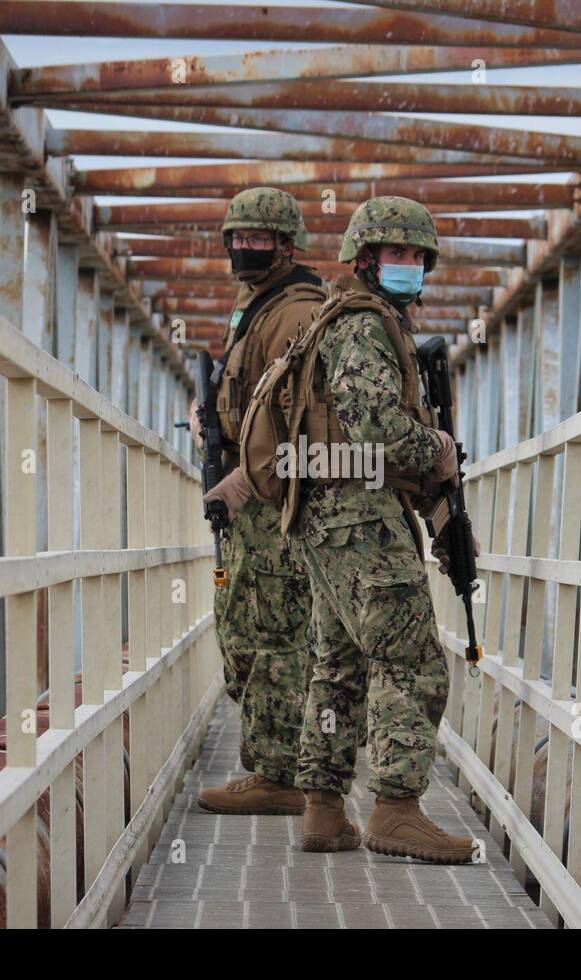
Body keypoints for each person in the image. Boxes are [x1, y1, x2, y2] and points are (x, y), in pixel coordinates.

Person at [204, 197, 476, 863]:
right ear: (364, 258)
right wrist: (437, 447)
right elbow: (378, 430)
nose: (407, 265)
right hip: (357, 519)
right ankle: (396, 808)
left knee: (338, 664)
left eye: (416, 255)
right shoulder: (362, 326)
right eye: (395, 254)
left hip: (324, 520)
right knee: (411, 661)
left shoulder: (340, 317)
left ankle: (323, 809)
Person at [191, 188, 325, 815]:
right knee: (241, 627)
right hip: (253, 505)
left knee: (272, 634)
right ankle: (275, 763)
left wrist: (240, 481)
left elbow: (303, 423)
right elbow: (252, 405)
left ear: (286, 245)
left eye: (259, 239)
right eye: (238, 239)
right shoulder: (258, 306)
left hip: (273, 502)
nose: (247, 249)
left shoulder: (295, 313)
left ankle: (280, 775)